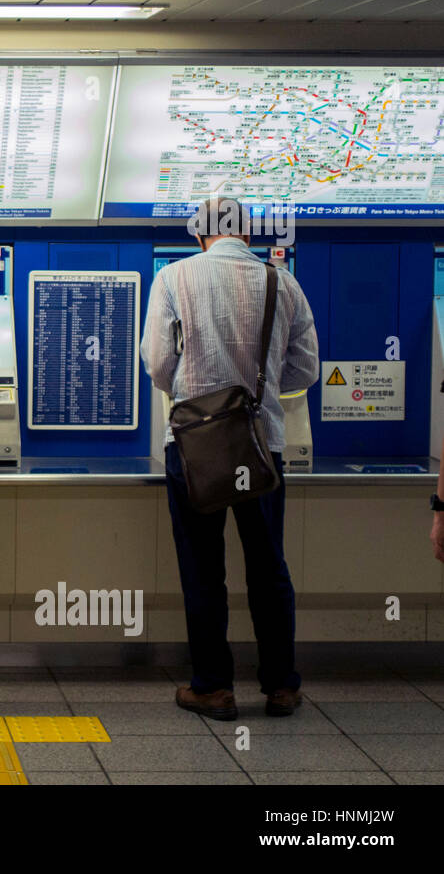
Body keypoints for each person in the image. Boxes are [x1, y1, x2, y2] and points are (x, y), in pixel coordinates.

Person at [141, 197, 320, 720]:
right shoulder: (281, 282)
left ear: (200, 235)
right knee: (269, 568)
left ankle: (213, 687)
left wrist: (198, 396)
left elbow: (156, 361)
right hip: (262, 445)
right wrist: (253, 399)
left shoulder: (174, 278)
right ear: (250, 234)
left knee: (202, 569)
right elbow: (306, 369)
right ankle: (281, 686)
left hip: (195, 448)